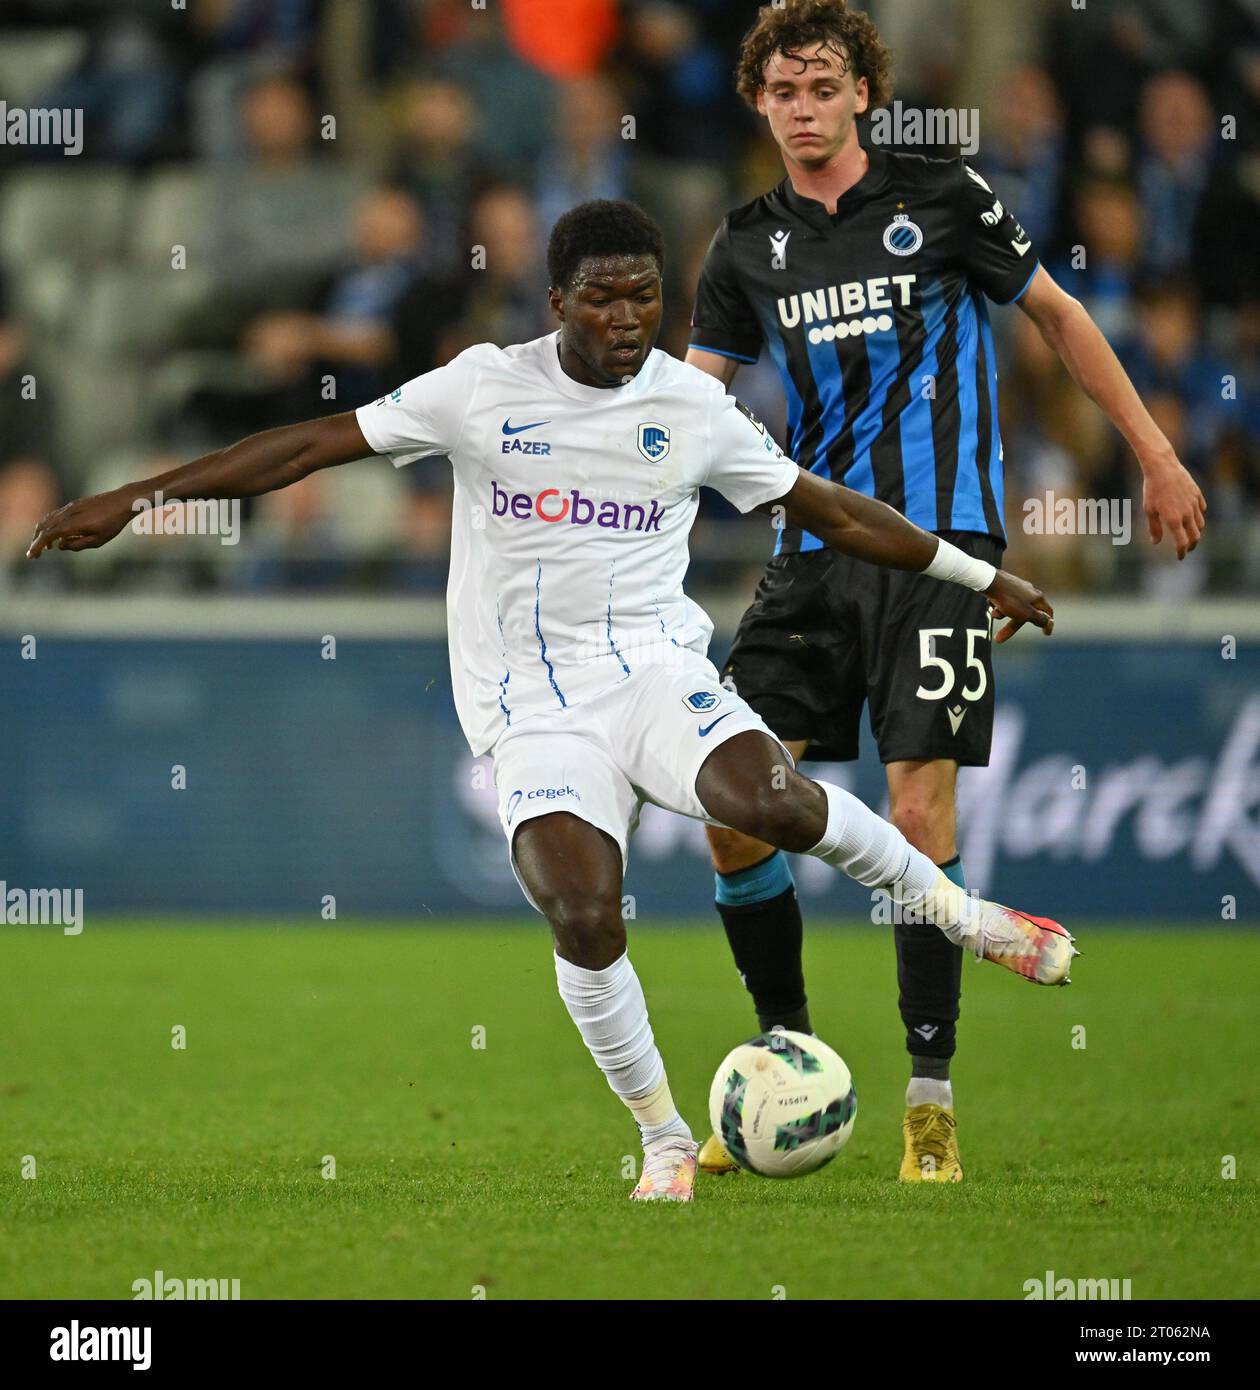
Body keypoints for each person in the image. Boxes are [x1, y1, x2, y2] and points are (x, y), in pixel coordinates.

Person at [28, 199, 1075, 1205]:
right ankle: (664, 1137)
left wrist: (984, 578)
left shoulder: (691, 408)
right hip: (530, 708)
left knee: (773, 802)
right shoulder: (481, 389)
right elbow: (307, 446)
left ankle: (969, 919)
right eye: (603, 299)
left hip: (654, 674)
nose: (627, 320)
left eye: (645, 298)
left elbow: (833, 510)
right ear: (555, 300)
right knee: (581, 912)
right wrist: (136, 497)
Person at [684, 0, 1203, 1182]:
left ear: (864, 90)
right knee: (731, 808)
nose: (805, 110)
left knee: (920, 820)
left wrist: (1156, 452)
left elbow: (1060, 318)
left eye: (824, 88)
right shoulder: (743, 247)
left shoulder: (945, 196)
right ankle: (791, 1059)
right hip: (811, 558)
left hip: (942, 557)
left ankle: (929, 1100)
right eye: (783, 92)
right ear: (759, 104)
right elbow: (682, 407)